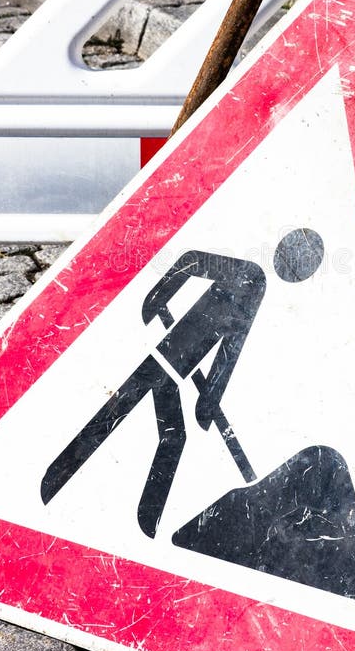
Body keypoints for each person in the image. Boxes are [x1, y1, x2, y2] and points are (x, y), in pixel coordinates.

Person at [41, 228, 324, 538]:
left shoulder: (258, 287)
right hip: (160, 359)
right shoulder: (249, 273)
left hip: (176, 373)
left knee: (171, 437)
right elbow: (191, 262)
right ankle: (57, 477)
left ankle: (146, 524)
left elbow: (231, 348)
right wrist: (157, 300)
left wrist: (209, 401)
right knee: (118, 416)